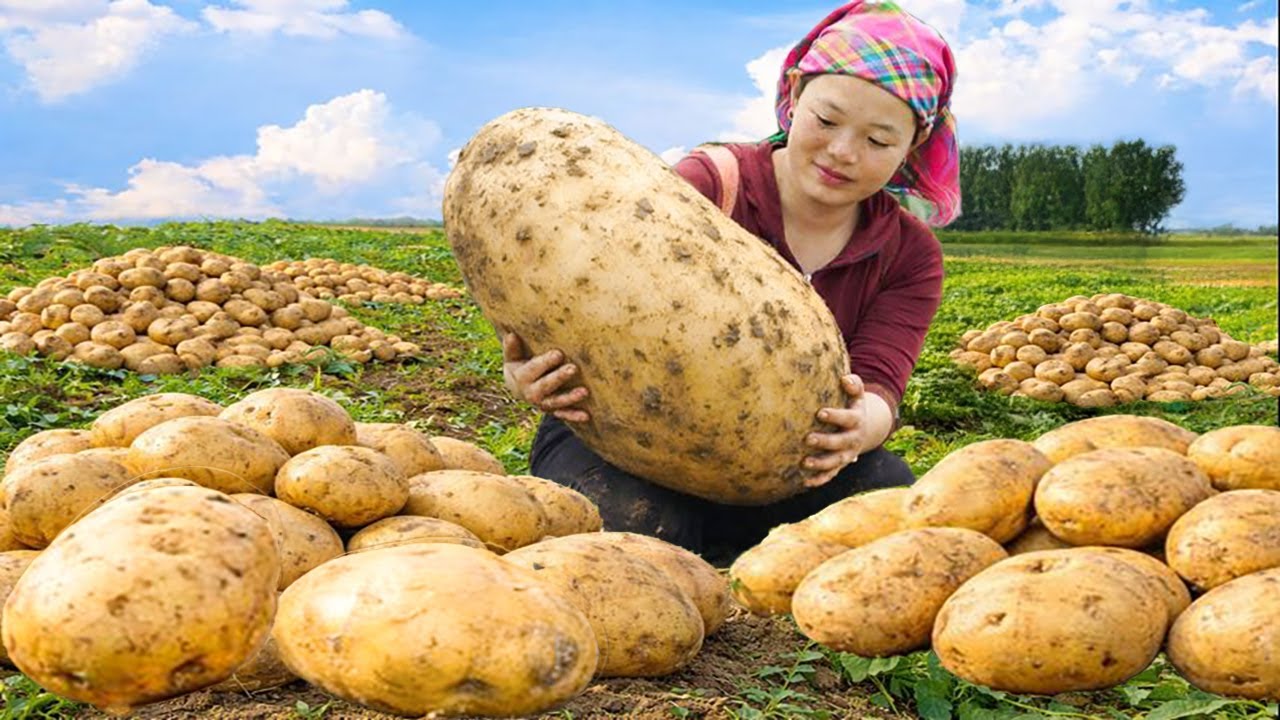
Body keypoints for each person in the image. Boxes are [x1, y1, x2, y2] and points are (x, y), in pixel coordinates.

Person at [502, 0, 959, 564]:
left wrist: (858, 428)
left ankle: (739, 549)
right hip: (623, 439)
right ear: (793, 94)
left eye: (878, 140)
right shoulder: (707, 186)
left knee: (889, 495)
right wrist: (526, 368)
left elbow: (882, 378)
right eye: (827, 120)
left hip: (782, 465)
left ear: (913, 145)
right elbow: (580, 300)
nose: (843, 152)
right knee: (639, 541)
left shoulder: (909, 254)